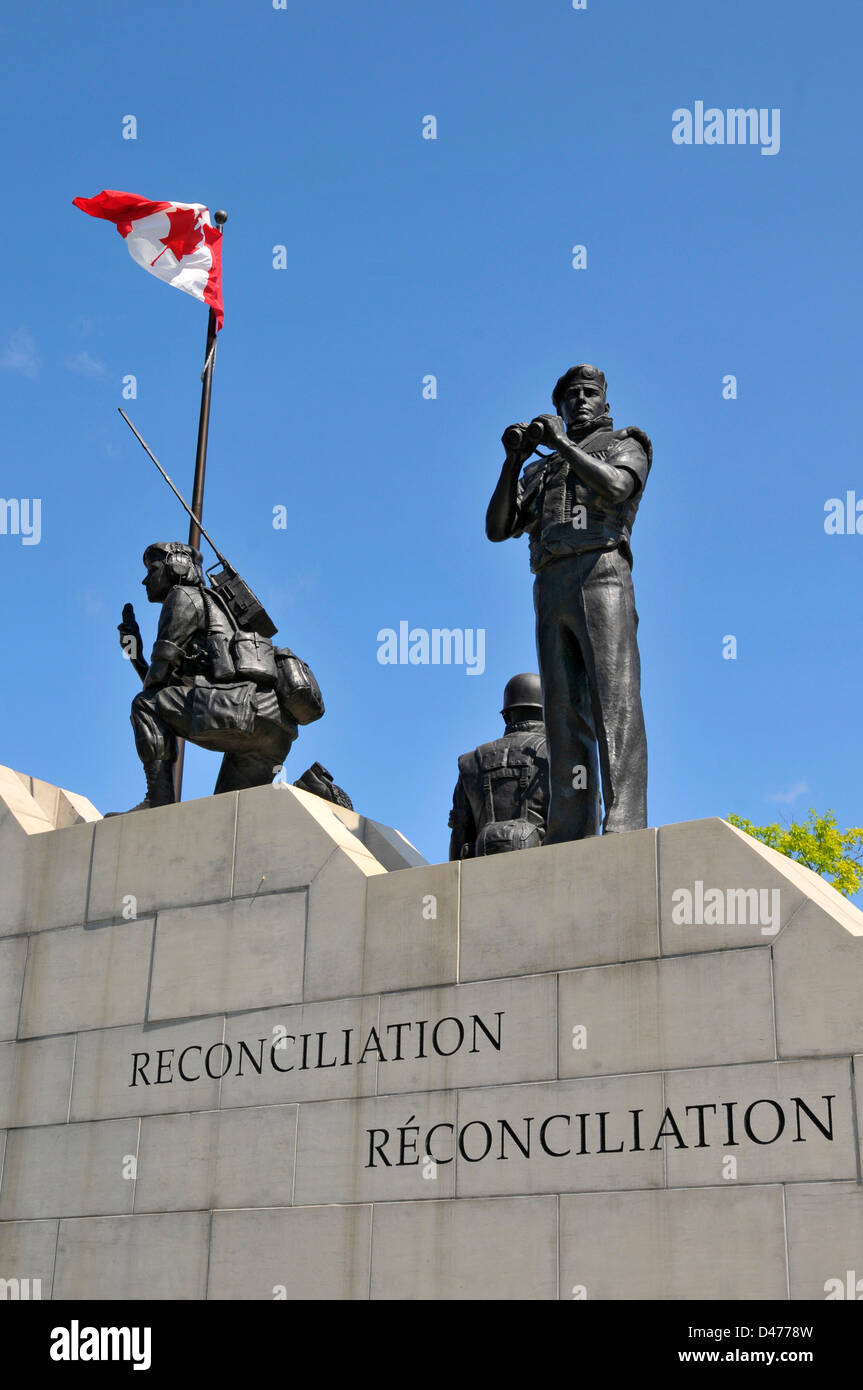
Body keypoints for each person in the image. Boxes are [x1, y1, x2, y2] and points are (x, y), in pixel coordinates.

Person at [486, 364, 651, 841]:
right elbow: (498, 529)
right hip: (551, 581)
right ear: (559, 406)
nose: (580, 400)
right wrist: (514, 461)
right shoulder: (543, 468)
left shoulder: (625, 443)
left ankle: (623, 819)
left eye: (589, 393)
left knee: (614, 700)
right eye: (570, 395)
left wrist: (561, 443)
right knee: (562, 712)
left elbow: (618, 487)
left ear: (605, 403)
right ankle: (571, 825)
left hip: (602, 574)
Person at [114, 541, 298, 811]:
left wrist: (143, 660)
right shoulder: (219, 605)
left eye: (152, 569)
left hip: (242, 711)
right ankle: (315, 788)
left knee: (143, 705)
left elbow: (155, 686)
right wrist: (136, 657)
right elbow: (163, 689)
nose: (145, 580)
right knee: (227, 814)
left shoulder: (182, 597)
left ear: (177, 565)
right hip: (275, 730)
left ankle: (158, 800)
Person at [448, 672, 549, 858]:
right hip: (546, 870)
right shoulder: (556, 755)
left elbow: (460, 833)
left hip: (481, 875)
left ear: (506, 716)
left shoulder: (470, 761)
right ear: (546, 711)